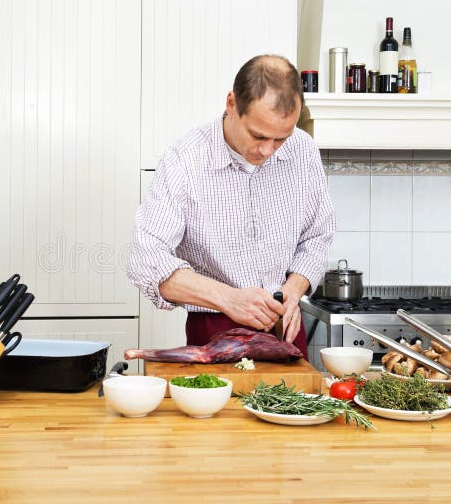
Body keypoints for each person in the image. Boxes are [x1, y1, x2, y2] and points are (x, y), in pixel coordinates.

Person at [127, 55, 335, 359]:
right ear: (231, 104)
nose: (267, 150)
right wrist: (229, 299)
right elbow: (145, 259)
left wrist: (293, 290)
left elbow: (317, 236)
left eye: (281, 139)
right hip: (216, 332)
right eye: (258, 135)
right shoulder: (186, 159)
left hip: (286, 330)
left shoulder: (302, 149)